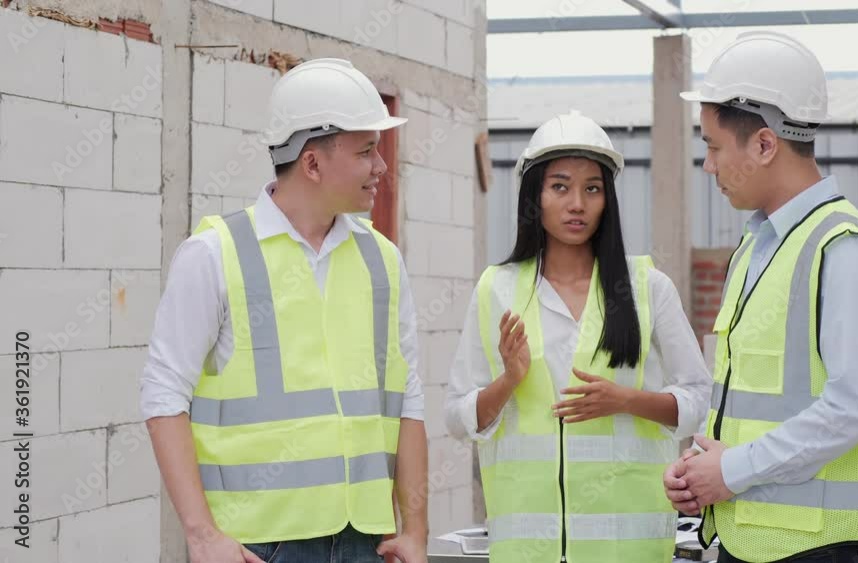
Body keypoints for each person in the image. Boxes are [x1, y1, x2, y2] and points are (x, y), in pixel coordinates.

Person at [141, 58, 428, 563]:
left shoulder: (383, 260)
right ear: (313, 164)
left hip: (367, 543)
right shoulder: (214, 254)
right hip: (258, 548)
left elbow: (409, 402)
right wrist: (203, 535)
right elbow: (164, 395)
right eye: (367, 152)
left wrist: (417, 529)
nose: (381, 167)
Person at [664, 31, 858, 563]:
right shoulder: (761, 245)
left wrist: (731, 471)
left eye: (711, 146)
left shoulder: (842, 249)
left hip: (823, 548)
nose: (707, 165)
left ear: (763, 144)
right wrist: (700, 466)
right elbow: (750, 396)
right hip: (753, 538)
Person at [446, 110, 712, 563]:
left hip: (630, 548)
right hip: (527, 551)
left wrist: (626, 400)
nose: (577, 203)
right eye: (560, 187)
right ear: (535, 196)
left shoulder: (647, 287)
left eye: (593, 188)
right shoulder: (498, 288)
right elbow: (457, 419)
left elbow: (698, 400)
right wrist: (508, 380)